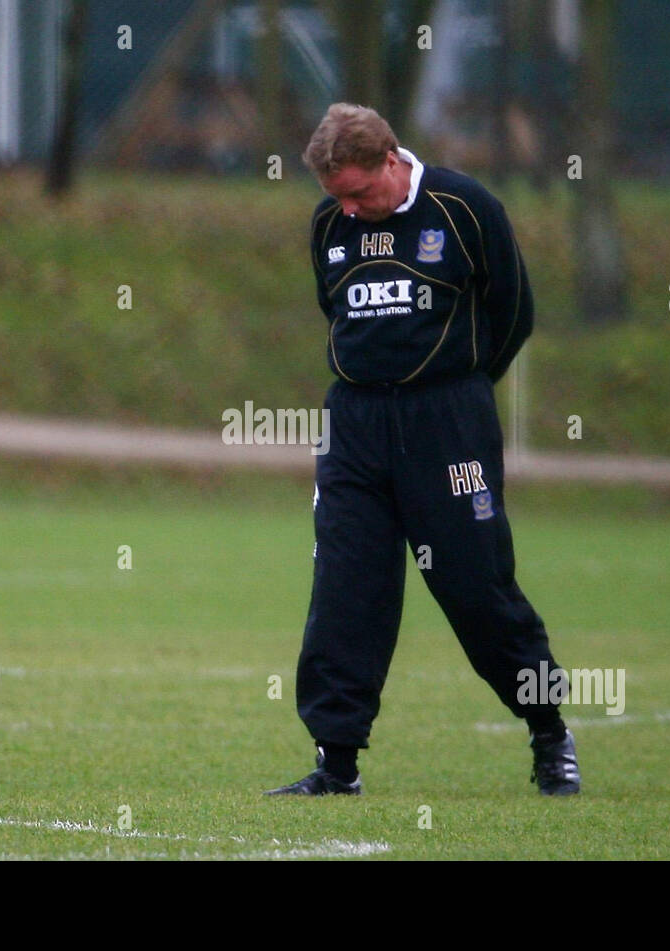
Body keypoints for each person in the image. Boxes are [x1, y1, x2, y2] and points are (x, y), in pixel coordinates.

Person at [264, 103, 580, 797]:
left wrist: (457, 389)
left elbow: (513, 310)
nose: (348, 208)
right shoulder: (330, 223)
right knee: (346, 589)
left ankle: (549, 732)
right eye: (335, 197)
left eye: (358, 192)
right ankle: (337, 761)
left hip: (448, 426)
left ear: (390, 161)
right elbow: (336, 309)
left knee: (477, 588)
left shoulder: (465, 208)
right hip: (354, 427)